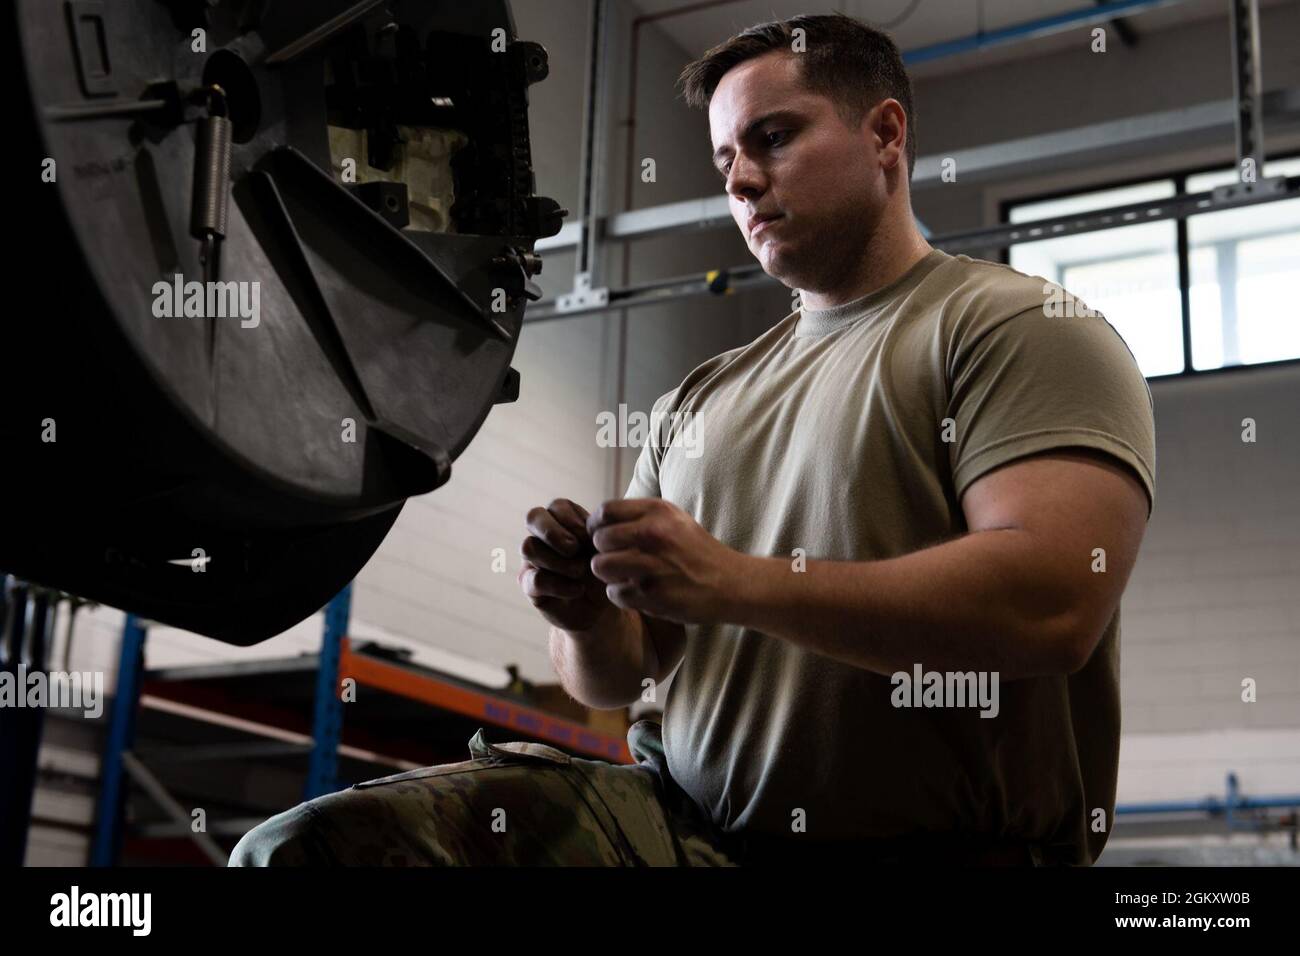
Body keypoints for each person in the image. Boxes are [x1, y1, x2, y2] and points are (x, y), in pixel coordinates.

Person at [232, 12, 1155, 868]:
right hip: (685, 835)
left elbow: (1050, 605)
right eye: (724, 164)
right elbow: (620, 673)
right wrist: (585, 614)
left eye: (775, 138)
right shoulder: (699, 400)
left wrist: (733, 582)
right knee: (314, 852)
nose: (742, 181)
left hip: (947, 849)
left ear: (885, 135)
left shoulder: (1016, 326)